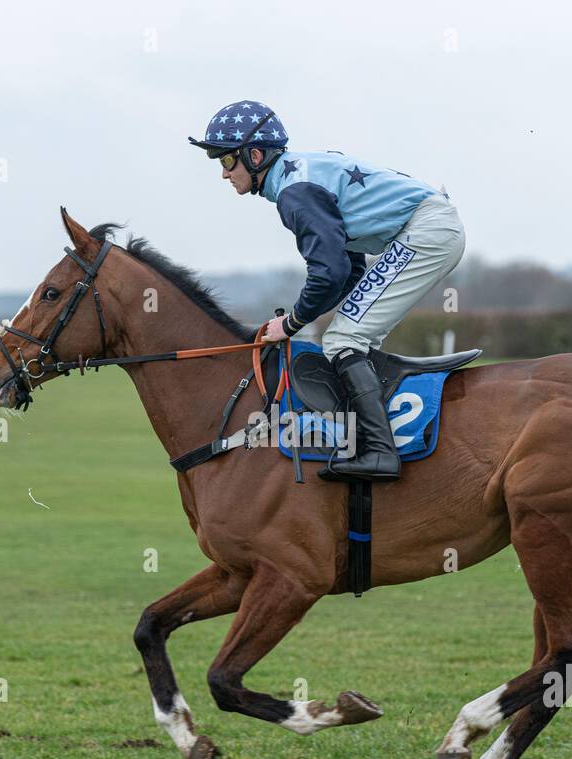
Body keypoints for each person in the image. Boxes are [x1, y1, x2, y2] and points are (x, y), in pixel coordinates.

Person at [188, 100, 466, 482]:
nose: (223, 174)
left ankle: (380, 451)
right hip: (427, 228)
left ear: (253, 156)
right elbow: (347, 271)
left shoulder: (294, 192)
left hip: (427, 231)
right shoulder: (296, 178)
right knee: (350, 334)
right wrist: (303, 316)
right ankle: (382, 432)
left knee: (344, 336)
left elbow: (330, 272)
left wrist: (293, 322)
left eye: (225, 162)